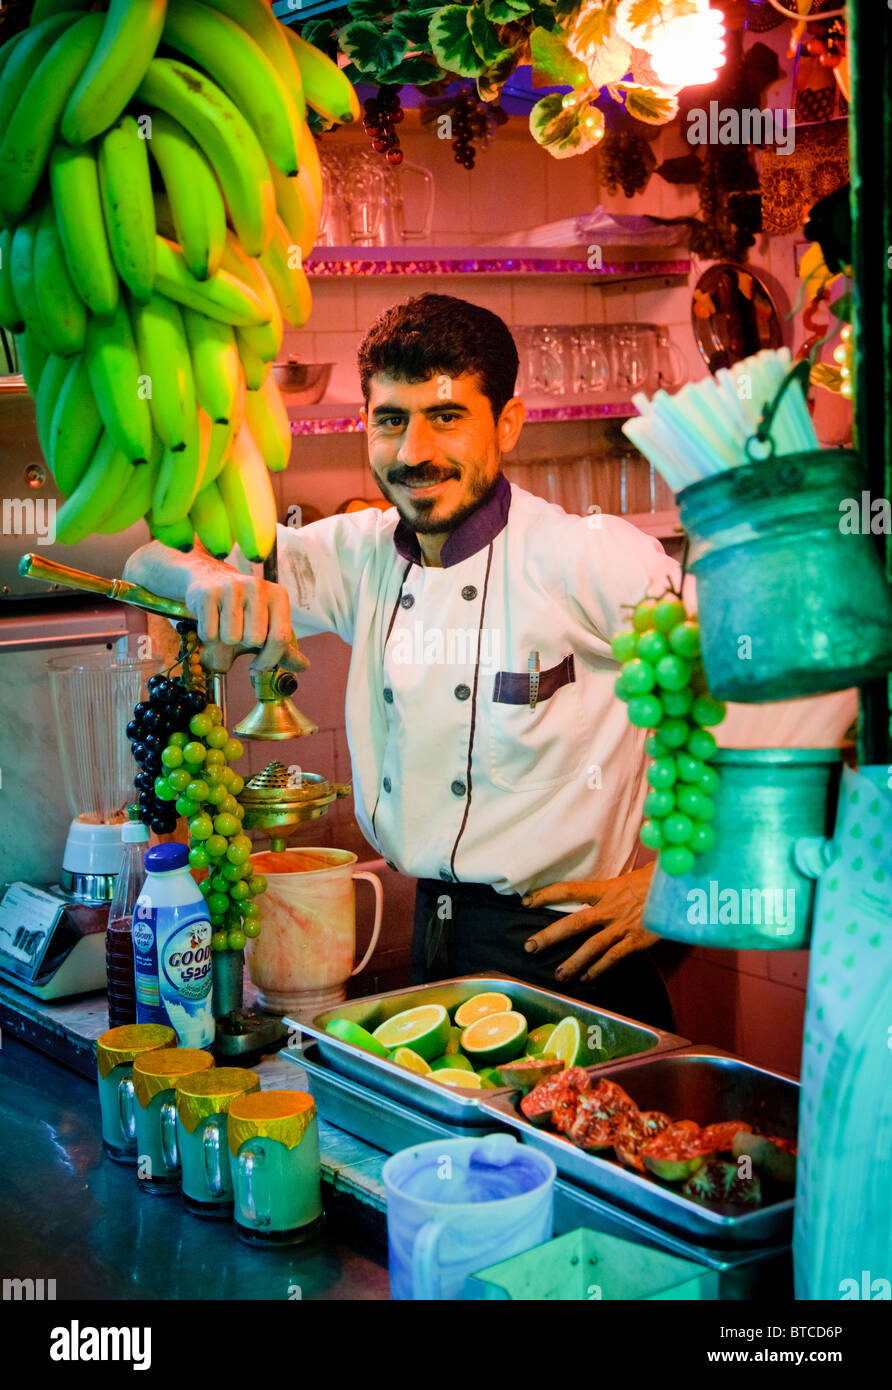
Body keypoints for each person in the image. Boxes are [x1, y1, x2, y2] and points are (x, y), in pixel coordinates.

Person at [124, 294, 856, 1030]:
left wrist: (679, 878)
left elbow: (788, 675)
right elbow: (144, 553)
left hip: (566, 956)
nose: (414, 453)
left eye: (446, 418)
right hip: (431, 949)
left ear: (506, 424)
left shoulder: (586, 556)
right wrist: (203, 579)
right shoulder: (359, 553)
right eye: (391, 421)